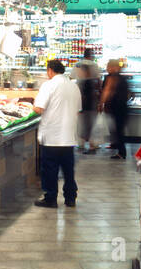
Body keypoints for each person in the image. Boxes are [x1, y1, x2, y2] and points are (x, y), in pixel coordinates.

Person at [31, 59, 81, 207]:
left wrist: (28, 106)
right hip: (68, 136)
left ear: (50, 71)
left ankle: (50, 198)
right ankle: (70, 198)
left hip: (52, 135)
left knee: (50, 168)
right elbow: (78, 110)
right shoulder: (74, 86)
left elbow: (39, 108)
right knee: (68, 169)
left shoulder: (49, 85)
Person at [99, 58, 129, 159]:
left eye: (109, 66)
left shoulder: (112, 78)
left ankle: (122, 152)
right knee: (116, 129)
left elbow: (107, 91)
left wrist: (101, 103)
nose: (107, 68)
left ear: (114, 67)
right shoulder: (120, 78)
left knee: (118, 130)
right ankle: (115, 145)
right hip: (120, 107)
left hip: (117, 108)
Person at [74, 48, 100, 154]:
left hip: (86, 105)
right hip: (90, 105)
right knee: (89, 124)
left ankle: (87, 145)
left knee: (85, 124)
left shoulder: (78, 66)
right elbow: (99, 83)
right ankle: (90, 144)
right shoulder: (94, 68)